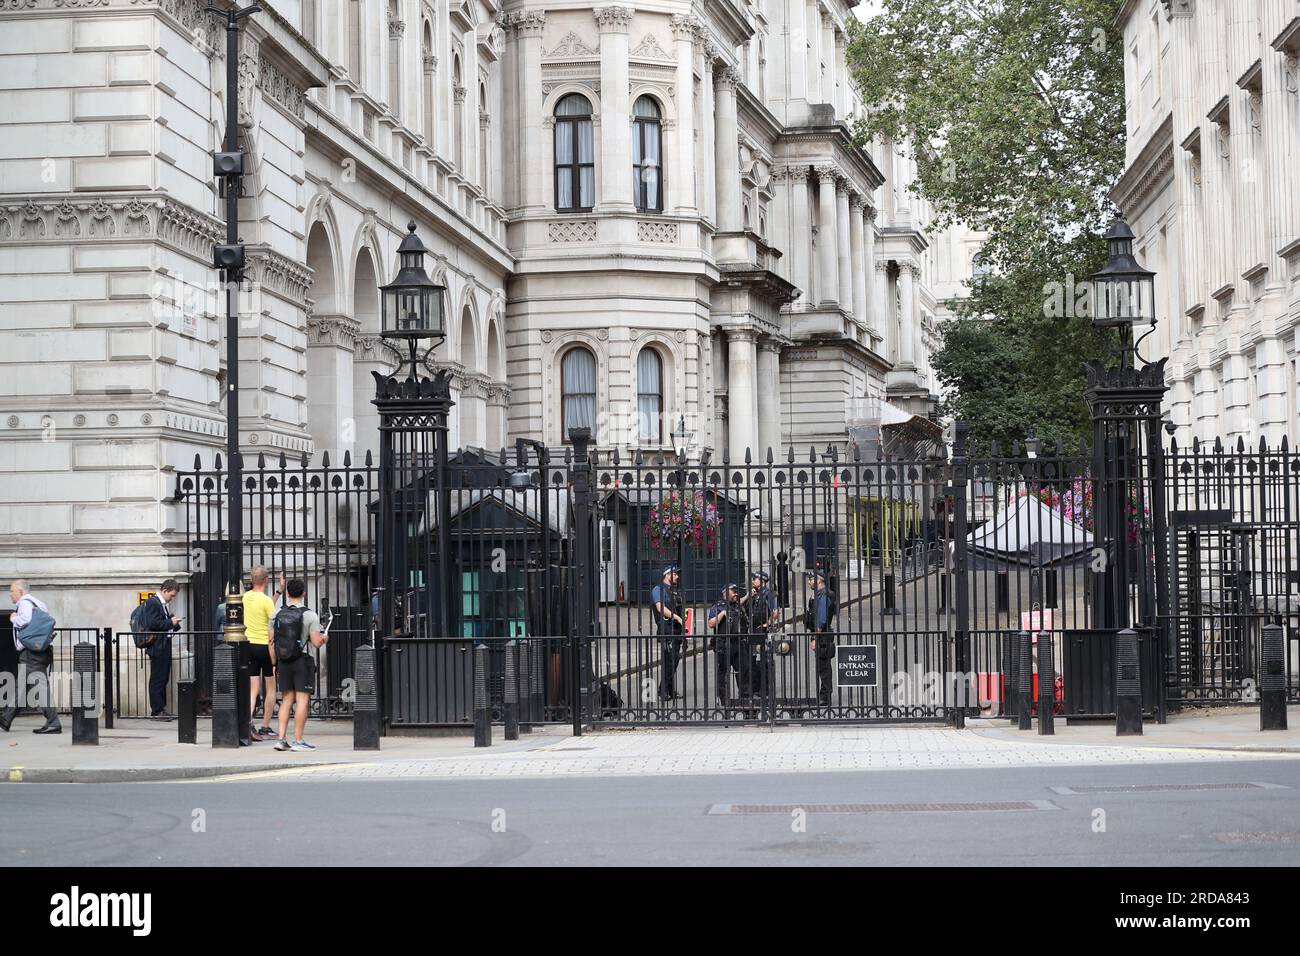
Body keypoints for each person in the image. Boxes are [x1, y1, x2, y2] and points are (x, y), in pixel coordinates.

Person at [270, 578, 327, 751]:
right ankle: (298, 741)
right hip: (302, 660)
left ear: (287, 593)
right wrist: (325, 638)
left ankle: (281, 739)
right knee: (302, 700)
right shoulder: (310, 615)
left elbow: (271, 641)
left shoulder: (277, 614)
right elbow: (317, 643)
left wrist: (274, 663)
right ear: (304, 593)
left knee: (287, 699)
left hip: (284, 660)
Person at [1, 580, 60, 734]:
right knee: (21, 687)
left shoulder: (25, 603)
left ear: (21, 592)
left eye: (12, 591)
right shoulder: (39, 604)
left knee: (40, 687)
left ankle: (53, 722)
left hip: (31, 653)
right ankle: (6, 719)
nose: (10, 594)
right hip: (39, 651)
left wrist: (13, 617)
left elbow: (25, 621)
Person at [242, 566, 284, 741]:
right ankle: (265, 727)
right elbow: (273, 618)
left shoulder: (245, 597)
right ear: (266, 580)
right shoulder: (265, 600)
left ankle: (248, 722)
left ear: (252, 580)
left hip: (248, 646)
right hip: (264, 647)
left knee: (253, 688)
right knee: (271, 687)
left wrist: (277, 592)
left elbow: (265, 608)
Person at [136, 579, 183, 718]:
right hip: (157, 646)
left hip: (163, 644)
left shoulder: (161, 604)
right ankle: (157, 710)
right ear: (165, 590)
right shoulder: (153, 602)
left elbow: (159, 622)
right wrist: (170, 622)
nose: (172, 599)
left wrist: (173, 623)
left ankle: (161, 709)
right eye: (172, 595)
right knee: (158, 678)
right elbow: (153, 623)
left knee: (163, 678)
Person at [706, 583, 749, 706]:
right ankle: (724, 699)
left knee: (743, 670)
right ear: (725, 592)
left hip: (739, 643)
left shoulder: (737, 605)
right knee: (723, 672)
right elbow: (711, 624)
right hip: (724, 644)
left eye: (737, 591)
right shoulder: (718, 606)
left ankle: (745, 697)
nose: (736, 593)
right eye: (733, 591)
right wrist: (722, 614)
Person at [740, 570, 778, 698]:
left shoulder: (769, 594)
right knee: (752, 659)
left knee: (764, 659)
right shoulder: (753, 594)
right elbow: (737, 605)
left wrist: (768, 624)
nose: (752, 581)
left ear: (762, 580)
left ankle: (766, 688)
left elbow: (775, 611)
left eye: (754, 579)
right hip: (753, 630)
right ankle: (755, 687)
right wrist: (747, 596)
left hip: (763, 630)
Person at [650, 565, 686, 701]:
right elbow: (660, 608)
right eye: (675, 574)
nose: (677, 576)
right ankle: (663, 690)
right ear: (667, 575)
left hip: (676, 629)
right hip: (666, 629)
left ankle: (668, 689)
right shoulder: (658, 589)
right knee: (669, 661)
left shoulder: (673, 591)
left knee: (674, 660)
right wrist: (676, 617)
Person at [806, 569, 837, 707]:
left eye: (811, 579)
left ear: (819, 580)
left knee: (823, 667)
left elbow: (821, 620)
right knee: (823, 666)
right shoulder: (819, 595)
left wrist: (814, 638)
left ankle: (825, 696)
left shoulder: (823, 596)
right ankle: (824, 693)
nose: (809, 581)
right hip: (823, 634)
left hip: (822, 635)